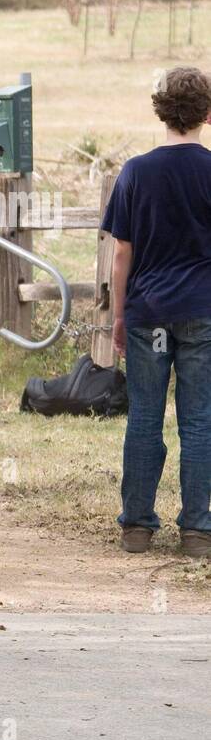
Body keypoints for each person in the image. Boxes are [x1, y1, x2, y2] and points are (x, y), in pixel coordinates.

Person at [102, 65, 211, 559]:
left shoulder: (136, 172)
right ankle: (197, 529)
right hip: (202, 311)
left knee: (144, 417)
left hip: (148, 312)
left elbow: (121, 253)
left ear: (160, 111)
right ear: (206, 114)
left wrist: (119, 316)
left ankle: (137, 526)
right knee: (200, 420)